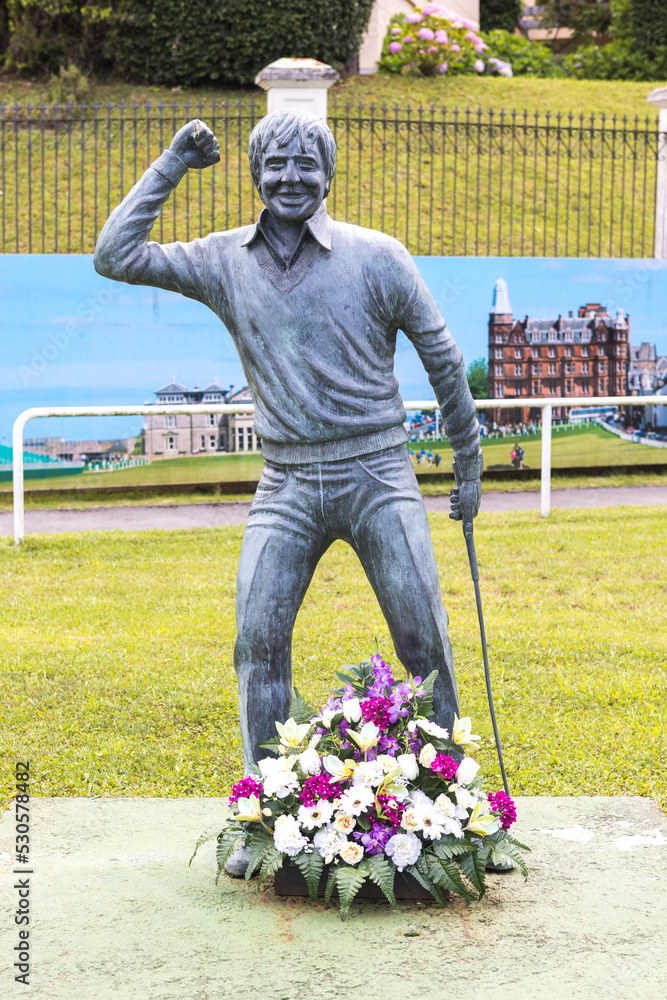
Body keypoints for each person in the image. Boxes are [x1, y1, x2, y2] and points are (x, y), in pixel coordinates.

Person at [94, 111, 482, 872]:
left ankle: (454, 807)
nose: (291, 178)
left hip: (377, 472)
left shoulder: (378, 257)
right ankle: (263, 816)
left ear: (329, 174)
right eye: (275, 165)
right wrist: (172, 163)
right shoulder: (221, 261)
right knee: (258, 641)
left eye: (307, 164)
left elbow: (442, 357)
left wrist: (467, 465)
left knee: (423, 640)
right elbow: (115, 255)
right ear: (255, 175)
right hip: (287, 481)